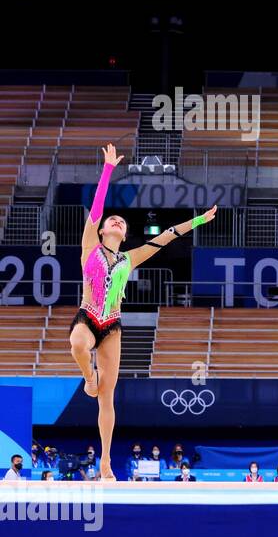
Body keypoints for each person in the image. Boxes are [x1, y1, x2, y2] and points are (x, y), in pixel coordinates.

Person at [69, 143, 216, 484]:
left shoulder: (128, 258)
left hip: (113, 326)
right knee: (77, 344)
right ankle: (88, 378)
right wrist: (107, 170)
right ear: (104, 230)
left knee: (108, 397)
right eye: (111, 220)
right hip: (89, 315)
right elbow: (97, 208)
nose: (116, 221)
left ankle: (105, 463)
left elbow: (165, 238)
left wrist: (199, 219)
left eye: (121, 221)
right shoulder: (90, 246)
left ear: (123, 233)